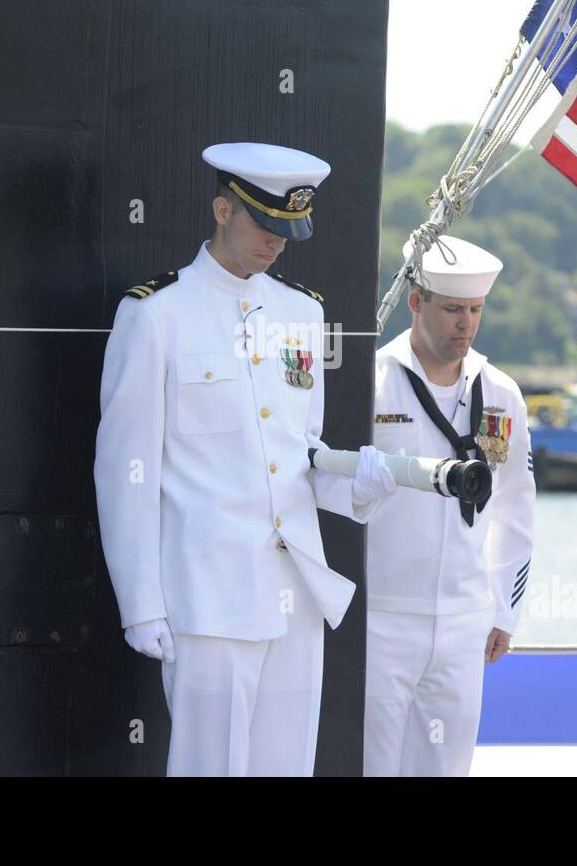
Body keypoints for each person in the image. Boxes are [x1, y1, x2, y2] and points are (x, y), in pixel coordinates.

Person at [94, 141, 396, 776]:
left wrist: (357, 485)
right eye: (265, 225)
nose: (277, 244)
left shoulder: (302, 313)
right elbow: (126, 471)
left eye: (289, 230)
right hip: (206, 593)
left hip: (296, 589)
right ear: (222, 209)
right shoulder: (156, 314)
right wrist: (141, 601)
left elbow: (299, 456)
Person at [364, 235, 535, 776]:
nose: (465, 324)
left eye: (476, 311)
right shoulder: (372, 382)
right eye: (452, 309)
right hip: (381, 616)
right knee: (369, 766)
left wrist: (504, 611)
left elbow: (515, 509)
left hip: (464, 620)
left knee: (447, 769)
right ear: (416, 303)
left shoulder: (501, 394)